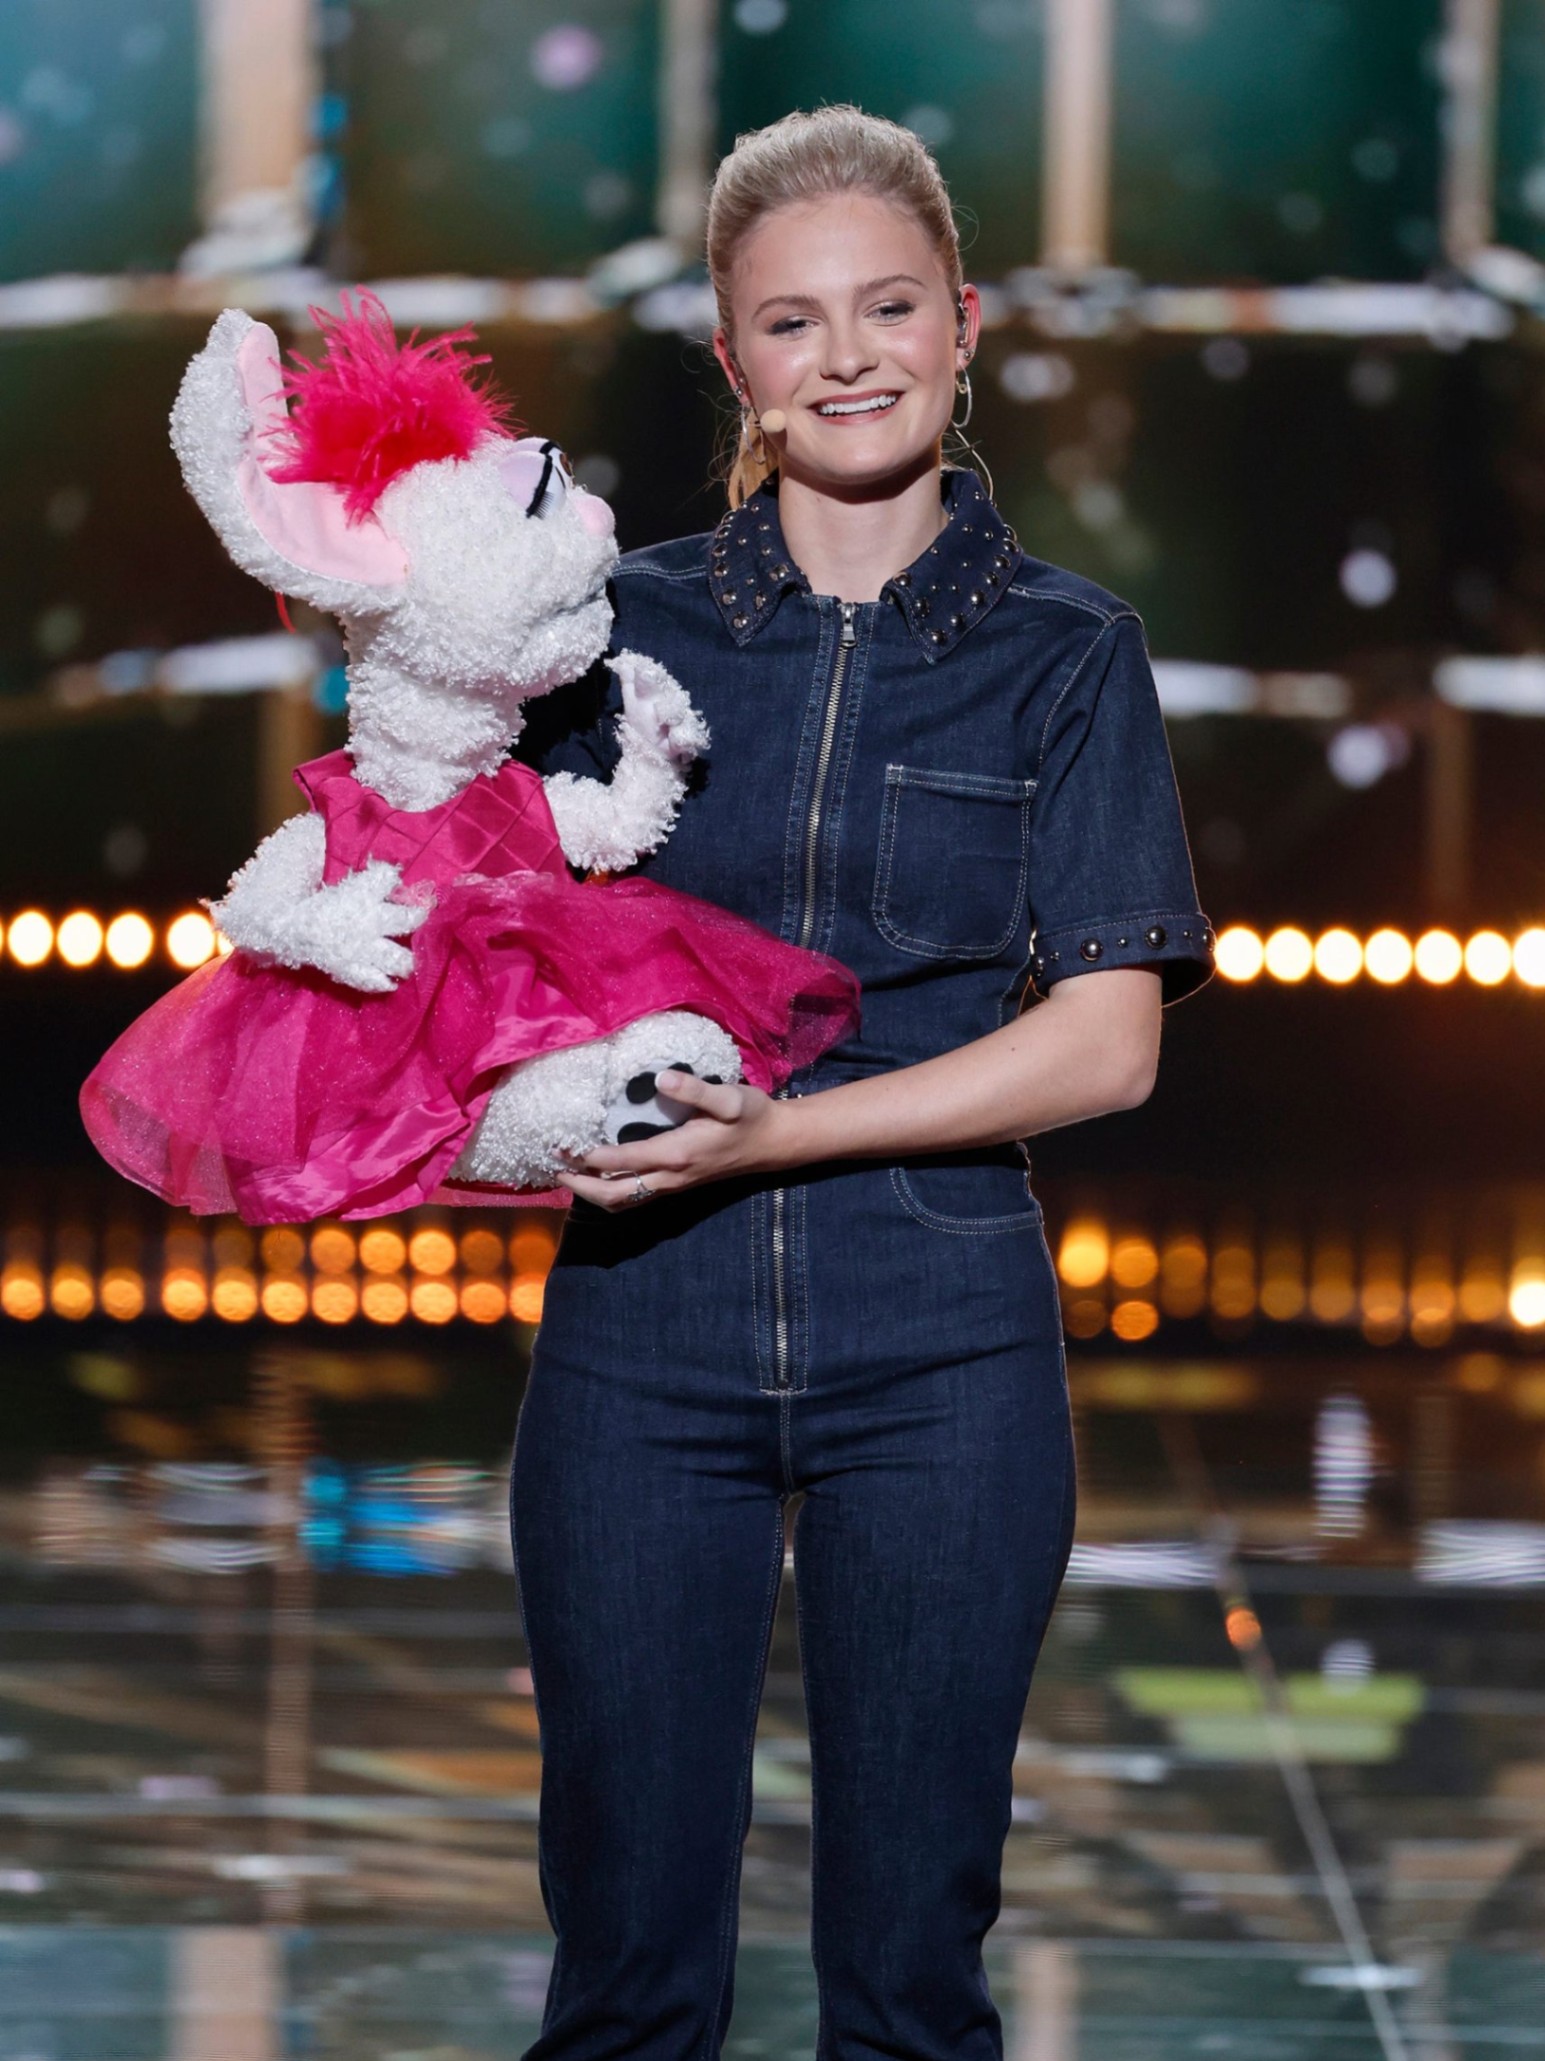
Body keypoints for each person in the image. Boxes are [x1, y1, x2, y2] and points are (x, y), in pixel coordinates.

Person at [511, 104, 1213, 2061]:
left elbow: (1107, 1040)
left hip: (943, 1356)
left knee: (909, 1979)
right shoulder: (609, 633)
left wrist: (780, 1130)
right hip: (638, 1349)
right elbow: (494, 941)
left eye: (889, 306)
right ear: (730, 356)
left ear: (963, 323)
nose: (846, 356)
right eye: (790, 319)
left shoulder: (1067, 653)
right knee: (623, 1978)